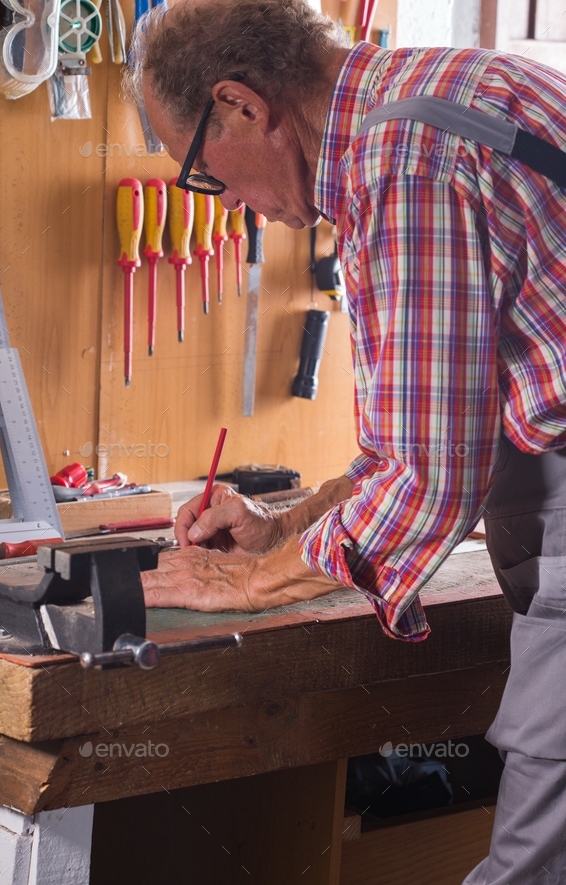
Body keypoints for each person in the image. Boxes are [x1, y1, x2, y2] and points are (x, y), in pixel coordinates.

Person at [129, 1, 566, 881]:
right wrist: (283, 527)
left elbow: (429, 477)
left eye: (204, 174)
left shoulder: (405, 161)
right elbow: (433, 434)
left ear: (243, 106)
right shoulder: (446, 86)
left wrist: (251, 582)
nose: (234, 206)